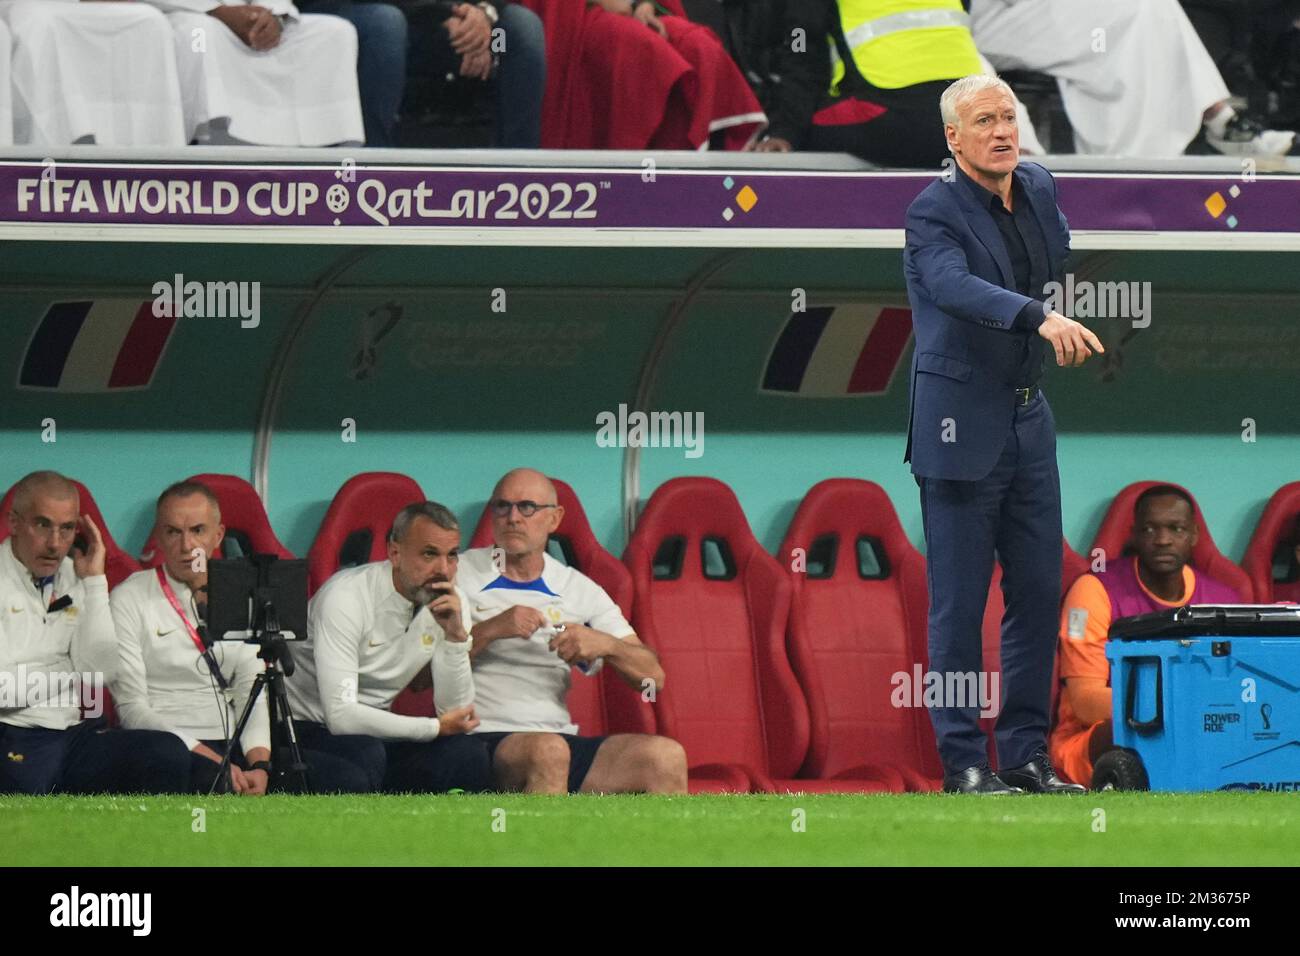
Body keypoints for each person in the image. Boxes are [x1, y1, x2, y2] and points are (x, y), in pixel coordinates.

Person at [903, 74, 1102, 794]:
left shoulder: (1039, 186)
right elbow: (954, 287)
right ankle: (962, 761)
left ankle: (1025, 757)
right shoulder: (932, 213)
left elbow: (1058, 254)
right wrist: (1037, 317)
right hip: (959, 429)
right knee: (959, 606)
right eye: (984, 120)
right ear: (954, 138)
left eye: (1010, 117)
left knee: (1038, 594)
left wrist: (1045, 310)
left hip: (1028, 421)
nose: (1003, 131)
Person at [458, 468, 687, 794]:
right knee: (548, 752)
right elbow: (423, 670)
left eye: (527, 507)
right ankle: (546, 847)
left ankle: (659, 848)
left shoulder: (579, 589)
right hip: (478, 739)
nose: (513, 518)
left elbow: (653, 678)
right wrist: (491, 630)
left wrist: (606, 645)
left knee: (665, 757)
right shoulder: (460, 573)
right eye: (502, 507)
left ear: (554, 519)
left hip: (560, 737)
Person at [1, 471, 189, 795]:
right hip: (15, 732)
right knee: (29, 794)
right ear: (15, 522)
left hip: (75, 734)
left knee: (167, 753)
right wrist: (72, 675)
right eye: (43, 524)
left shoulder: (76, 577)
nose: (55, 543)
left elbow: (102, 671)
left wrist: (95, 582)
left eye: (67, 528)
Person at [284, 501, 490, 793]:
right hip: (306, 729)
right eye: (429, 554)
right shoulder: (345, 597)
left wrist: (457, 638)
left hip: (377, 736)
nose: (443, 569)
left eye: (452, 555)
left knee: (467, 753)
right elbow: (341, 716)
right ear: (394, 553)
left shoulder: (451, 602)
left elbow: (455, 711)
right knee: (366, 755)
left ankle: (431, 836)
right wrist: (432, 728)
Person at [1051, 486, 1241, 787]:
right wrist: (1182, 711)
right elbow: (1086, 703)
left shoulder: (1223, 600)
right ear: (1134, 535)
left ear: (1193, 535)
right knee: (1128, 737)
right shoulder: (1093, 591)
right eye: (1150, 529)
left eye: (1175, 529)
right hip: (1097, 738)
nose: (1163, 540)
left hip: (1204, 731)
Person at [111, 481, 275, 794]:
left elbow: (249, 691)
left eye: (198, 530)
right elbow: (132, 709)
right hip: (170, 745)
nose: (186, 546)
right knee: (185, 768)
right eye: (173, 532)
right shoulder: (129, 597)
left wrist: (260, 766)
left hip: (234, 743)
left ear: (218, 535)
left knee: (341, 774)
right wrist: (211, 758)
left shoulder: (244, 593)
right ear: (159, 536)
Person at [970, 0, 1296, 157]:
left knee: (1149, 6)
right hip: (977, 18)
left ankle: (1220, 121)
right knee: (1117, 32)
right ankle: (1124, 172)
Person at [756, 0, 986, 166]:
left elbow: (803, 59)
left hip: (893, 120)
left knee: (805, 133)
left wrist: (784, 133)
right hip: (973, 126)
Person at [518, 0, 764, 149]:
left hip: (630, 9)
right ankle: (638, 172)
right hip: (575, 19)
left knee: (699, 47)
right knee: (647, 52)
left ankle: (689, 164)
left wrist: (644, 5)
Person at [143, 0, 364, 145]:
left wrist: (272, 16)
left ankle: (333, 159)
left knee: (336, 33)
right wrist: (218, 11)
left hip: (253, 20)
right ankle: (209, 146)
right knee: (199, 34)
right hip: (188, 12)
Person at [0, 0, 186, 146]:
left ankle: (156, 162)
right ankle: (35, 158)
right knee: (38, 21)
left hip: (74, 6)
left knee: (150, 20)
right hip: (16, 7)